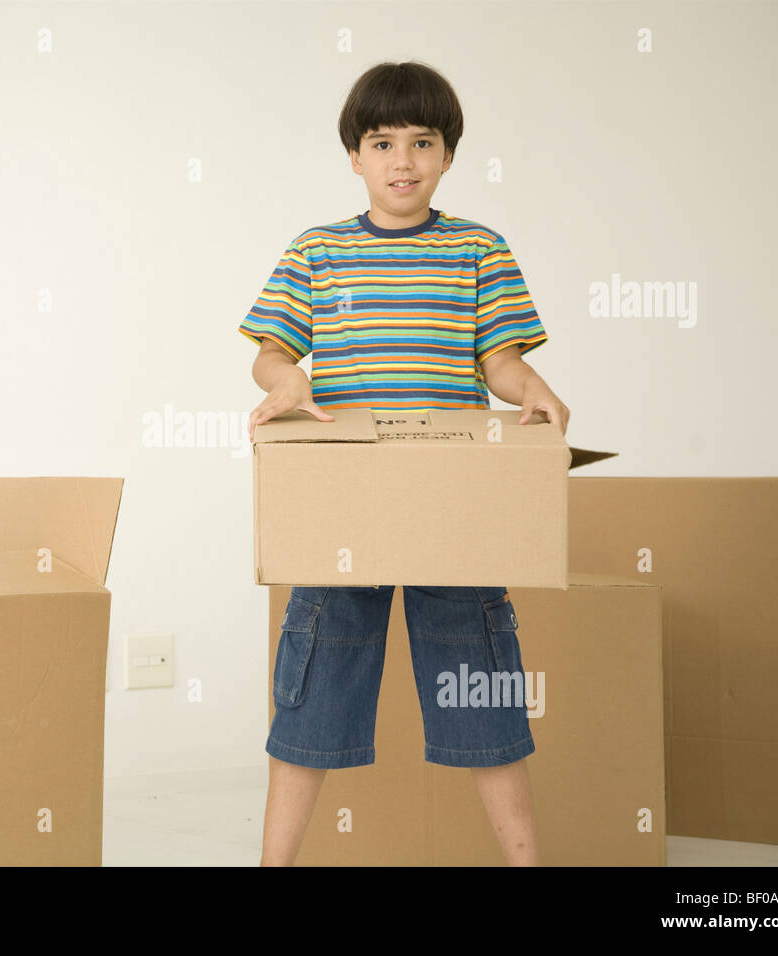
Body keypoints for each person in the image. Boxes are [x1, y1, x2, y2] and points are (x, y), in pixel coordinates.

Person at [238, 60, 571, 867]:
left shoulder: (478, 250)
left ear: (448, 155)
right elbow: (272, 353)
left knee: (483, 692)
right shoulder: (316, 251)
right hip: (345, 505)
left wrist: (537, 390)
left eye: (423, 142)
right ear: (354, 155)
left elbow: (501, 363)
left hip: (451, 507)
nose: (403, 161)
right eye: (383, 142)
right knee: (313, 693)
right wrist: (288, 383)